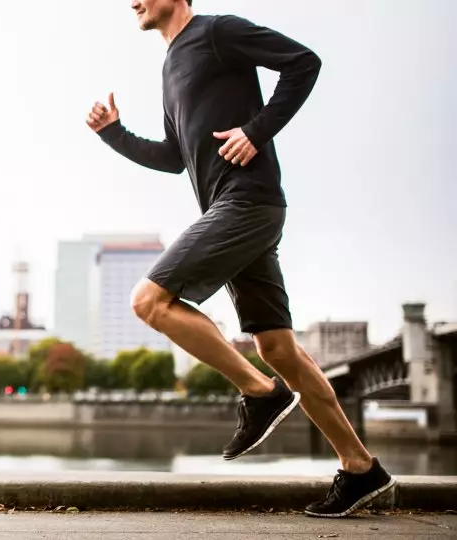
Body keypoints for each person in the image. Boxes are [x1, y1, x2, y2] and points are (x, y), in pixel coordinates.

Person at [85, 0, 395, 518]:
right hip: (241, 212)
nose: (131, 1)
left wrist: (257, 130)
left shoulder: (217, 32)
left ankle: (259, 392)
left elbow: (304, 63)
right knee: (278, 348)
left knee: (149, 300)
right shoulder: (170, 65)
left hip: (247, 203)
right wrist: (112, 133)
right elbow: (172, 156)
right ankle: (361, 468)